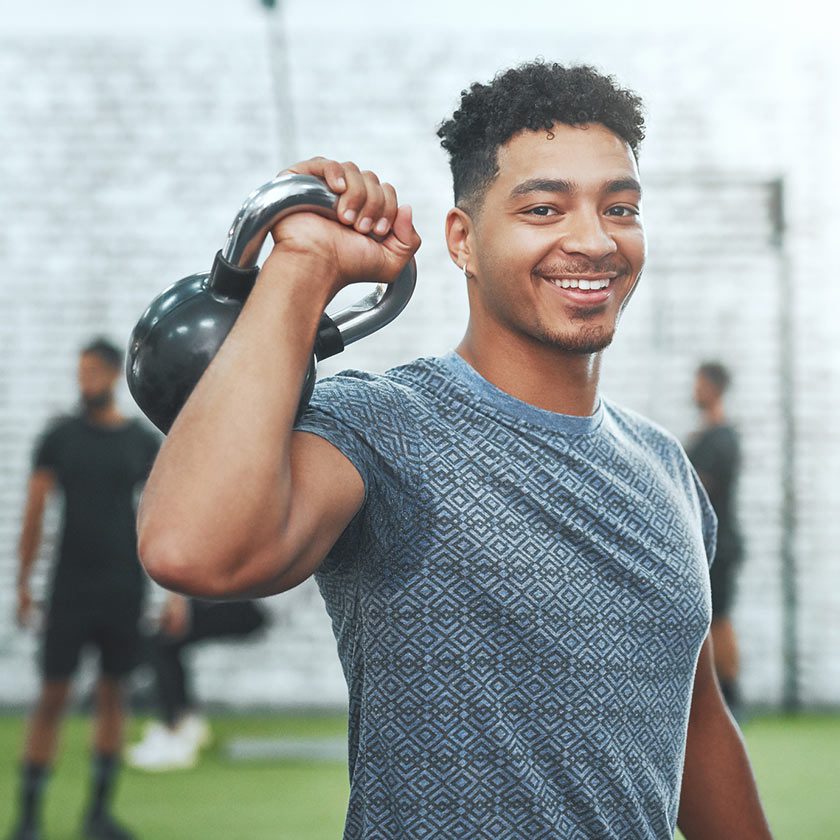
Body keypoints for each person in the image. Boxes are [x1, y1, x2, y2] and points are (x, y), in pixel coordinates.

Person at [136, 62, 773, 838]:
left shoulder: (665, 467)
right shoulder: (383, 426)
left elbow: (698, 725)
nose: (594, 239)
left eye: (621, 207)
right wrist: (304, 264)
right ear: (462, 242)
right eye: (544, 208)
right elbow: (191, 550)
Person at [10, 338, 160, 840]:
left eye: (93, 371)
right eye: (80, 372)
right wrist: (23, 584)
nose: (84, 380)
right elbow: (35, 514)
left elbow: (163, 516)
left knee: (112, 695)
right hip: (69, 589)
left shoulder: (139, 442)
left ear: (114, 375)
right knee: (52, 696)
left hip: (123, 589)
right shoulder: (59, 439)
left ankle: (97, 815)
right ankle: (28, 817)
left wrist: (174, 593)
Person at [127, 593, 267, 771]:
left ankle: (175, 734)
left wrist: (178, 601)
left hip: (252, 603)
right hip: (242, 599)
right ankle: (185, 723)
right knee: (165, 642)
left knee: (163, 642)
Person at [686, 362, 744, 714]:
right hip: (705, 543)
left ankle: (733, 697)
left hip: (721, 546)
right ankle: (720, 697)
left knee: (720, 618)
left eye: (698, 384)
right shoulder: (705, 436)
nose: (694, 390)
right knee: (711, 619)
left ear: (713, 388)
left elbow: (702, 487)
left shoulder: (722, 440)